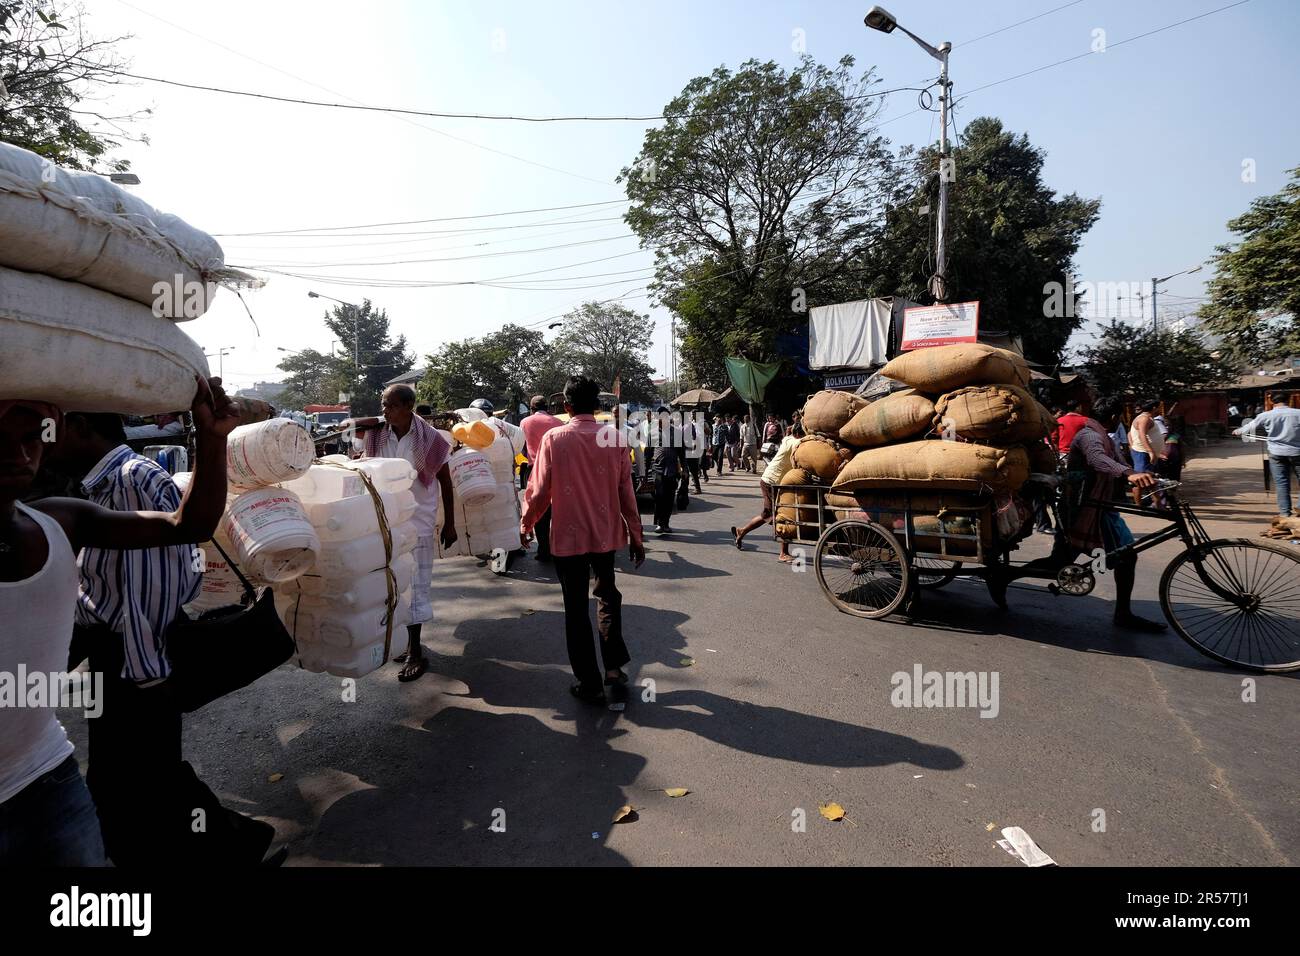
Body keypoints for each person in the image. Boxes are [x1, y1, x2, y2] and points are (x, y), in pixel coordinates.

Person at [0, 377, 238, 866]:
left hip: (46, 770)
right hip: (111, 665)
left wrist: (212, 439)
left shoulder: (60, 519)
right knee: (137, 774)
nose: (21, 456)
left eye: (30, 438)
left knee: (139, 776)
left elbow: (186, 529)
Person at [46, 411, 269, 868]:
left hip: (134, 654)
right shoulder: (104, 482)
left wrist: (148, 674)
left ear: (83, 427)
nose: (46, 442)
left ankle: (230, 846)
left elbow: (149, 589)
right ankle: (225, 846)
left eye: (57, 429)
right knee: (131, 774)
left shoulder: (131, 479)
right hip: (117, 654)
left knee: (141, 774)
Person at [520, 376, 646, 705]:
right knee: (607, 596)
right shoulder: (614, 438)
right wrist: (636, 534)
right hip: (606, 535)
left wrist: (526, 523)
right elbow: (625, 491)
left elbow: (539, 489)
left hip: (568, 537)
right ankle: (614, 668)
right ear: (596, 405)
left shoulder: (554, 438)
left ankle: (589, 680)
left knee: (575, 608)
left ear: (566, 406)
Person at [1040, 399, 1164, 632]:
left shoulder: (1104, 437)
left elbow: (1117, 462)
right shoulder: (1089, 435)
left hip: (1099, 508)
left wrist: (1142, 476)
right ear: (1116, 417)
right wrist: (1127, 472)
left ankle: (1123, 613)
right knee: (1060, 563)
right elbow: (1097, 459)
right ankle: (1002, 577)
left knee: (1123, 557)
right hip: (1081, 510)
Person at [362, 384, 457, 682]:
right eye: (382, 404)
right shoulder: (377, 434)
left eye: (389, 405)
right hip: (387, 521)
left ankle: (416, 651)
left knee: (415, 585)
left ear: (408, 406)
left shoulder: (431, 439)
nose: (384, 410)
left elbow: (445, 480)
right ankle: (405, 642)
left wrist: (451, 523)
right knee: (392, 583)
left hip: (419, 521)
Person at [731, 423, 803, 562]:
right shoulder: (796, 442)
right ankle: (783, 553)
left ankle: (742, 531)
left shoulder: (788, 438)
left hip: (774, 481)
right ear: (800, 434)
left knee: (767, 514)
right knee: (782, 516)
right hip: (772, 482)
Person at [1235, 392, 1300, 516]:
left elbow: (1248, 427)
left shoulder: (1265, 415)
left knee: (1281, 483)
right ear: (1289, 400)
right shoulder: (1298, 413)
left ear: (1271, 402)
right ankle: (1299, 508)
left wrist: (1238, 431)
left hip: (1276, 454)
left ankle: (1285, 513)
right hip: (1298, 453)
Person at [521, 395, 564, 560]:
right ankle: (558, 547)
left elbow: (523, 448)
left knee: (538, 509)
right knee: (558, 511)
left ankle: (544, 549)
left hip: (535, 470)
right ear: (548, 408)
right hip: (558, 472)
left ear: (532, 408)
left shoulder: (525, 422)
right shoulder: (559, 423)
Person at [649, 406, 683, 534]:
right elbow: (647, 453)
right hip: (657, 470)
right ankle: (659, 524)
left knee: (669, 498)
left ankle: (666, 523)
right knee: (659, 497)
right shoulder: (652, 433)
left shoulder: (677, 433)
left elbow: (681, 453)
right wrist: (644, 472)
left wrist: (684, 470)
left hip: (672, 470)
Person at [1128, 399, 1166, 474]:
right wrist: (1150, 452)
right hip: (1142, 453)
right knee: (1142, 476)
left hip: (1146, 453)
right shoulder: (1144, 419)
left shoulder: (1148, 418)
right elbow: (1142, 435)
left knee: (1150, 476)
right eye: (1159, 407)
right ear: (1154, 408)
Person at [681, 414, 705, 496]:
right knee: (686, 470)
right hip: (686, 450)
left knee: (692, 470)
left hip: (690, 451)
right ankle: (685, 488)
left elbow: (694, 438)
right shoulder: (685, 426)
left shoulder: (689, 426)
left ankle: (697, 488)